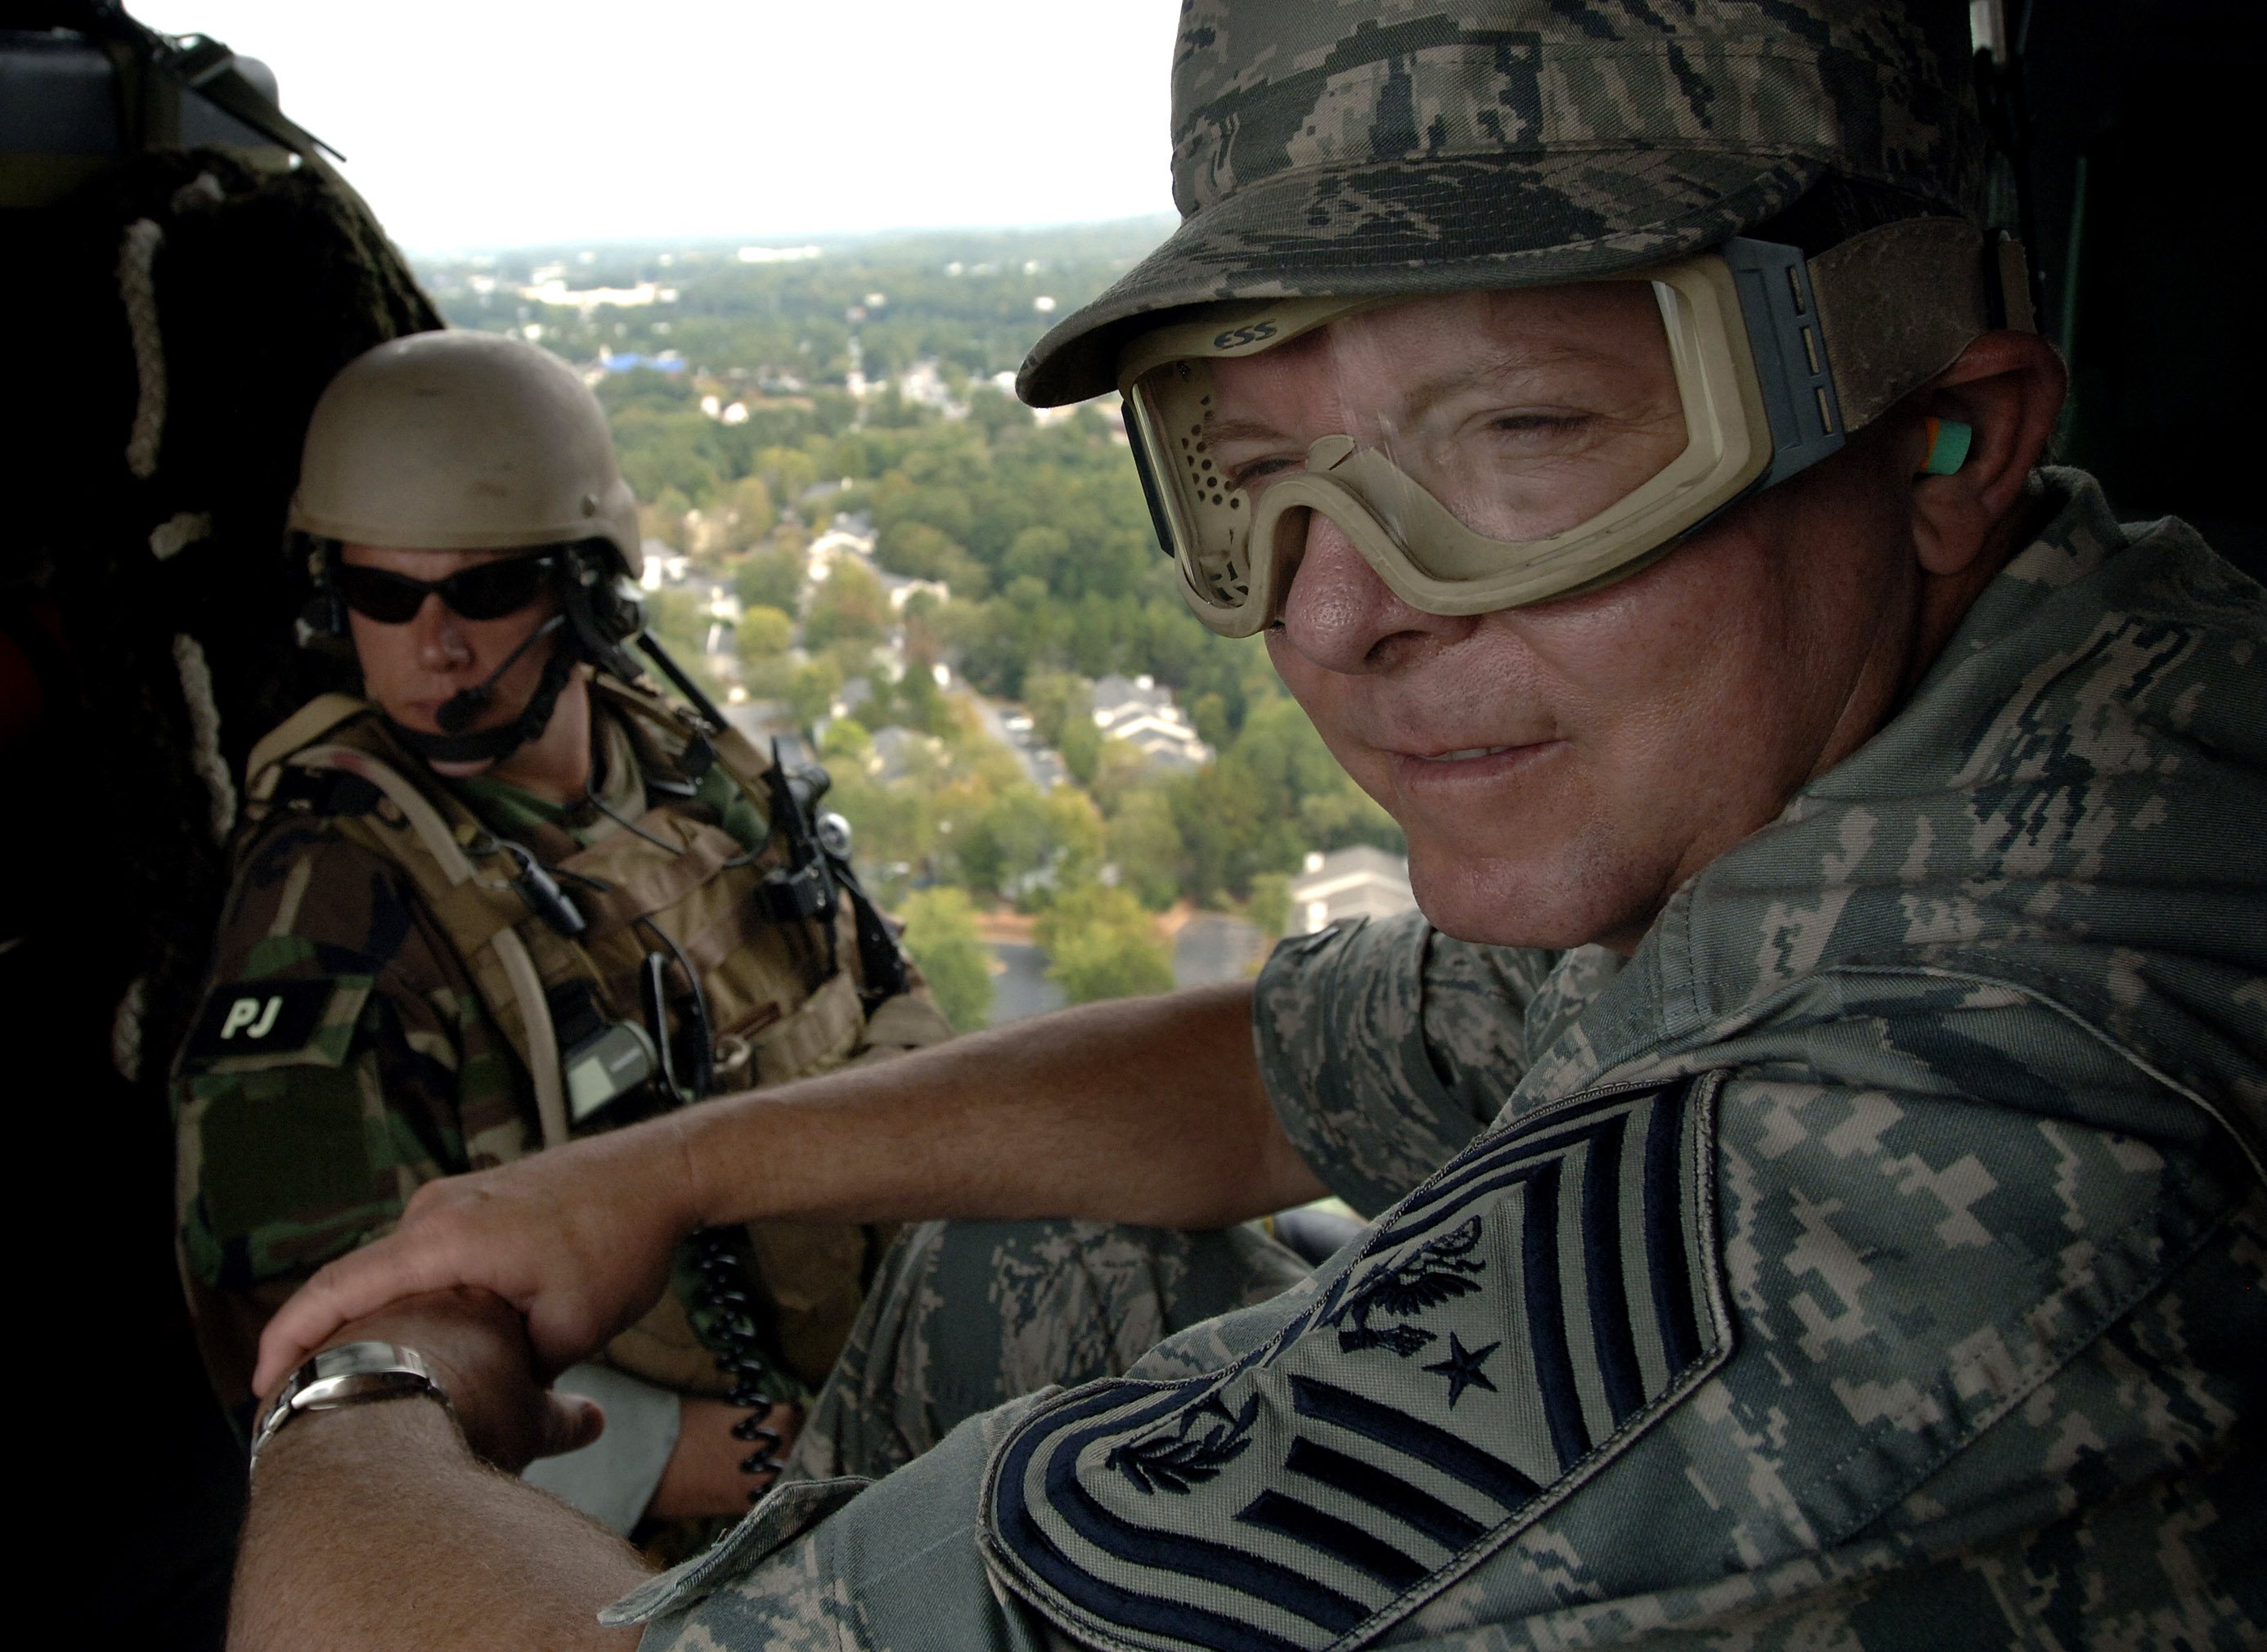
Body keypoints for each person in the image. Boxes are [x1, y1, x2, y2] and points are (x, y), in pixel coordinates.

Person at [230, 2, 2265, 1648]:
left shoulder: (1882, 1171)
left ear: (1948, 434)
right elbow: (1294, 1055)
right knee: (1026, 1266)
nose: (1335, 610)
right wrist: (660, 1176)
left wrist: (363, 1402)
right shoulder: (2045, 692)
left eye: (1523, 431)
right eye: (1258, 471)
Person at [170, 332, 1309, 1544]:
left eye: (488, 589)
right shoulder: (332, 906)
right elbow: (315, 1358)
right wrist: (808, 1467)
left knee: (1207, 1274)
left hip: (890, 1343)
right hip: (678, 1525)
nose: (434, 644)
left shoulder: (685, 765)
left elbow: (883, 996)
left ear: (594, 588)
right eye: (381, 596)